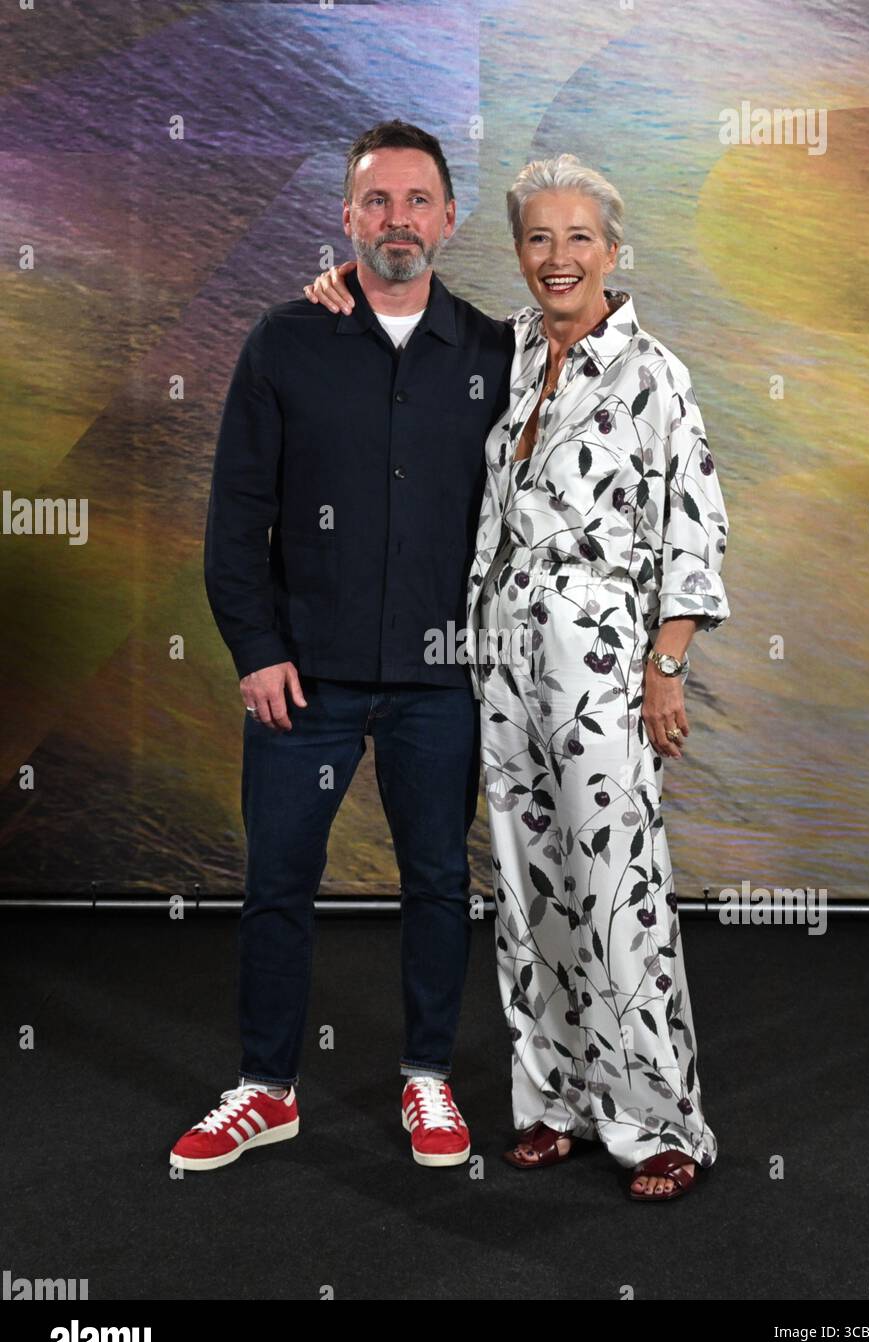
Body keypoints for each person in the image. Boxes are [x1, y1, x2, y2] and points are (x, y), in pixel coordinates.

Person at [307, 152, 730, 1200]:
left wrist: (664, 671)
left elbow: (693, 536)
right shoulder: (506, 357)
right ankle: (556, 1105)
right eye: (538, 238)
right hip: (499, 675)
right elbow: (406, 314)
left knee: (615, 893)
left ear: (613, 251)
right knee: (528, 892)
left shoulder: (653, 377)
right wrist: (336, 288)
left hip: (601, 680)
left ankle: (660, 1121)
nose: (557, 257)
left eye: (577, 237)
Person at [170, 120, 513, 1173]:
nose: (397, 219)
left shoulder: (499, 355)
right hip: (301, 677)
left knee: (435, 882)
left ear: (448, 219)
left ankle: (426, 1078)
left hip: (438, 679)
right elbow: (235, 518)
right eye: (376, 201)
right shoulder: (285, 339)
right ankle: (266, 1088)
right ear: (346, 217)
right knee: (277, 879)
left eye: (417, 201)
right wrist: (255, 646)